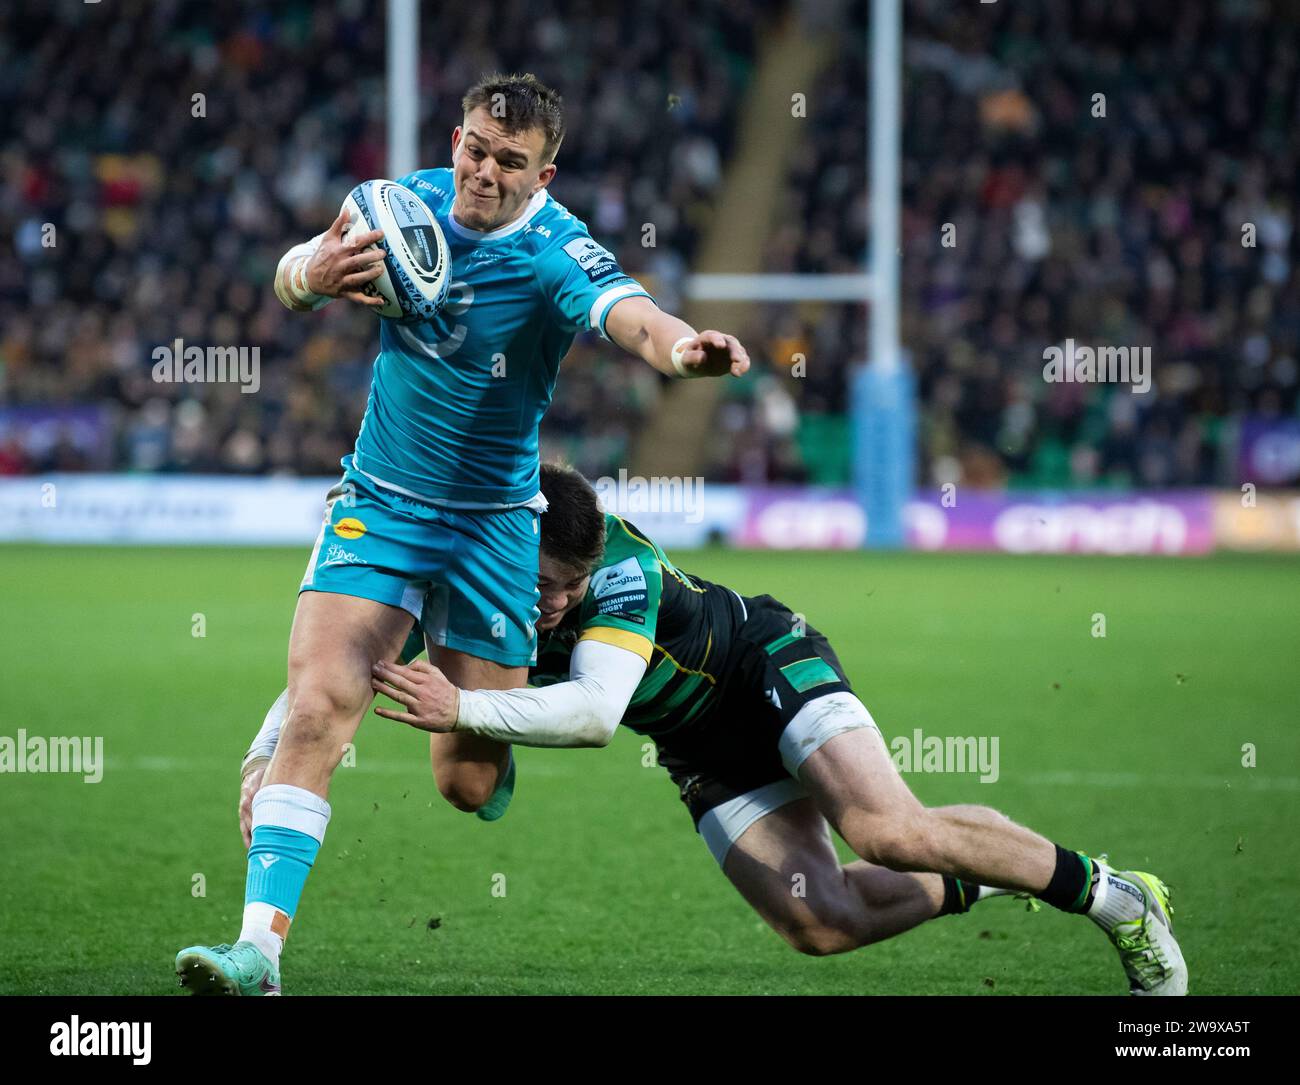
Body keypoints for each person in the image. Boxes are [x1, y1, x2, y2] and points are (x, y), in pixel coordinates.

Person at [175, 73, 750, 996]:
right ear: (455, 139)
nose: (484, 173)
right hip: (382, 502)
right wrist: (307, 279)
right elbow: (294, 273)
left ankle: (426, 681)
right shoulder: (402, 207)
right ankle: (258, 952)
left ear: (545, 175)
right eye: (475, 149)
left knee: (465, 784)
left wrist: (682, 351)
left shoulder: (556, 252)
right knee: (324, 702)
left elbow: (633, 315)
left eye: (510, 162)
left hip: (492, 525)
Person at [350, 462, 1184, 995]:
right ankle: (993, 868)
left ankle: (1116, 898)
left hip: (763, 664)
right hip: (701, 747)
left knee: (887, 831)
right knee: (820, 923)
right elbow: (355, 656)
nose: (552, 604)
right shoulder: (480, 568)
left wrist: (461, 705)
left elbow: (596, 716)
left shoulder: (623, 571)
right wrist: (274, 746)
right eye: (540, 583)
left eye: (567, 587)